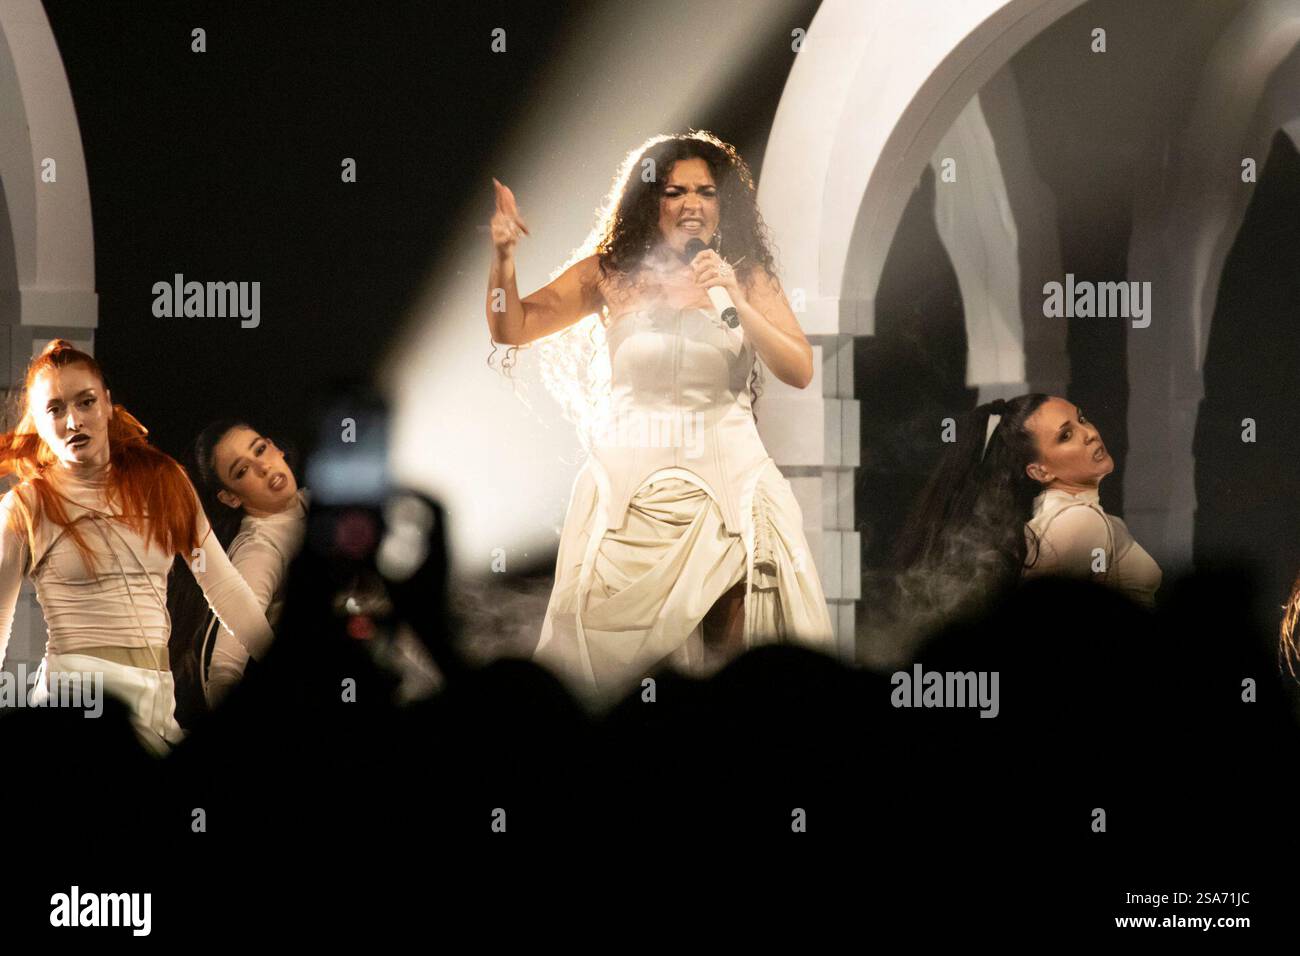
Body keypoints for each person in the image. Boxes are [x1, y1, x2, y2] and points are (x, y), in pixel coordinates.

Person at [486, 131, 835, 701]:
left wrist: (737, 302)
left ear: (723, 207)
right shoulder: (608, 274)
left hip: (730, 488)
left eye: (706, 192)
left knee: (739, 664)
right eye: (676, 192)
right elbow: (511, 325)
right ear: (652, 202)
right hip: (631, 495)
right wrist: (502, 259)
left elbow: (798, 368)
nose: (692, 204)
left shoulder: (743, 278)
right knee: (608, 668)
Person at [0, 340, 273, 754]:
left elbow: (225, 588)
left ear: (107, 404)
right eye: (55, 410)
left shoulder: (163, 482)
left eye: (85, 402)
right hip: (74, 700)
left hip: (156, 704)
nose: (73, 421)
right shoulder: (27, 506)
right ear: (38, 422)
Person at [894, 394, 1161, 618]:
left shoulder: (1075, 517)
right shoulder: (1078, 522)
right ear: (1040, 472)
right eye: (1066, 435)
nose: (1089, 434)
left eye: (1082, 419)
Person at [178, 419, 308, 707]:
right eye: (242, 470)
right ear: (230, 497)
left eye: (260, 450)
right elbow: (223, 667)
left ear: (276, 448)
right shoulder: (259, 550)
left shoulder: (313, 505)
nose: (263, 468)